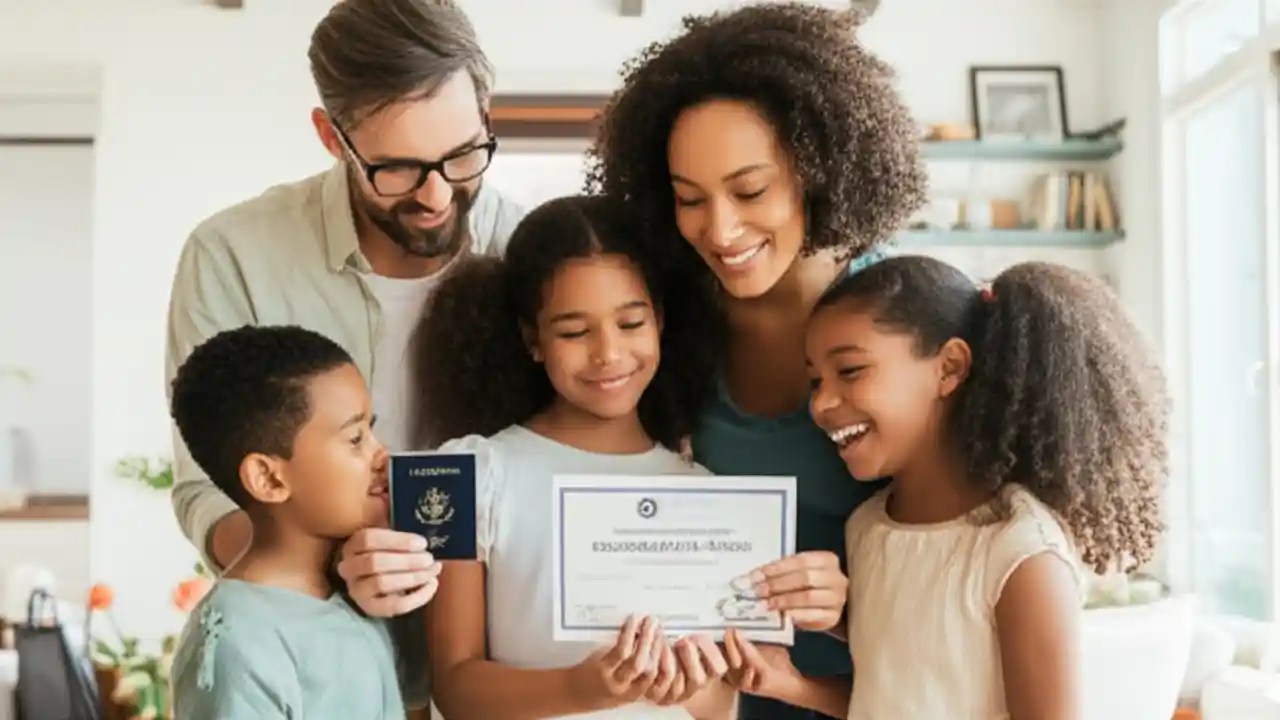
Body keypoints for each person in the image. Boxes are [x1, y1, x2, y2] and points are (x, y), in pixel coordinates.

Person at [584, 3, 928, 717]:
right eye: (688, 199)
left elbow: (961, 567)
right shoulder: (666, 328)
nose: (721, 229)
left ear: (819, 167)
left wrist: (850, 600)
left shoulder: (903, 318)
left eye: (750, 191)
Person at [163, 0, 524, 619]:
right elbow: (207, 491)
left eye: (463, 155)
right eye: (397, 169)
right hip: (317, 661)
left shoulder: (528, 255)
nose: (437, 196)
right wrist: (322, 567)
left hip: (503, 669)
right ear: (331, 137)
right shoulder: (234, 257)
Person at [725, 256, 1169, 719]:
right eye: (816, 380)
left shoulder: (1019, 553)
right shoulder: (867, 527)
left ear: (950, 367)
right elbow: (891, 702)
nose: (821, 403)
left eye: (851, 371)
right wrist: (793, 684)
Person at [408, 195, 731, 720]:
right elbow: (454, 686)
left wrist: (689, 688)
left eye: (630, 323)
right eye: (575, 332)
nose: (608, 354)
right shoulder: (464, 473)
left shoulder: (708, 491)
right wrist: (582, 689)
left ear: (661, 321)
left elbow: (723, 706)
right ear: (532, 339)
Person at [168, 324, 430, 719]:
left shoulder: (349, 595)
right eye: (355, 439)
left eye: (371, 432)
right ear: (269, 479)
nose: (383, 456)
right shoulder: (238, 644)